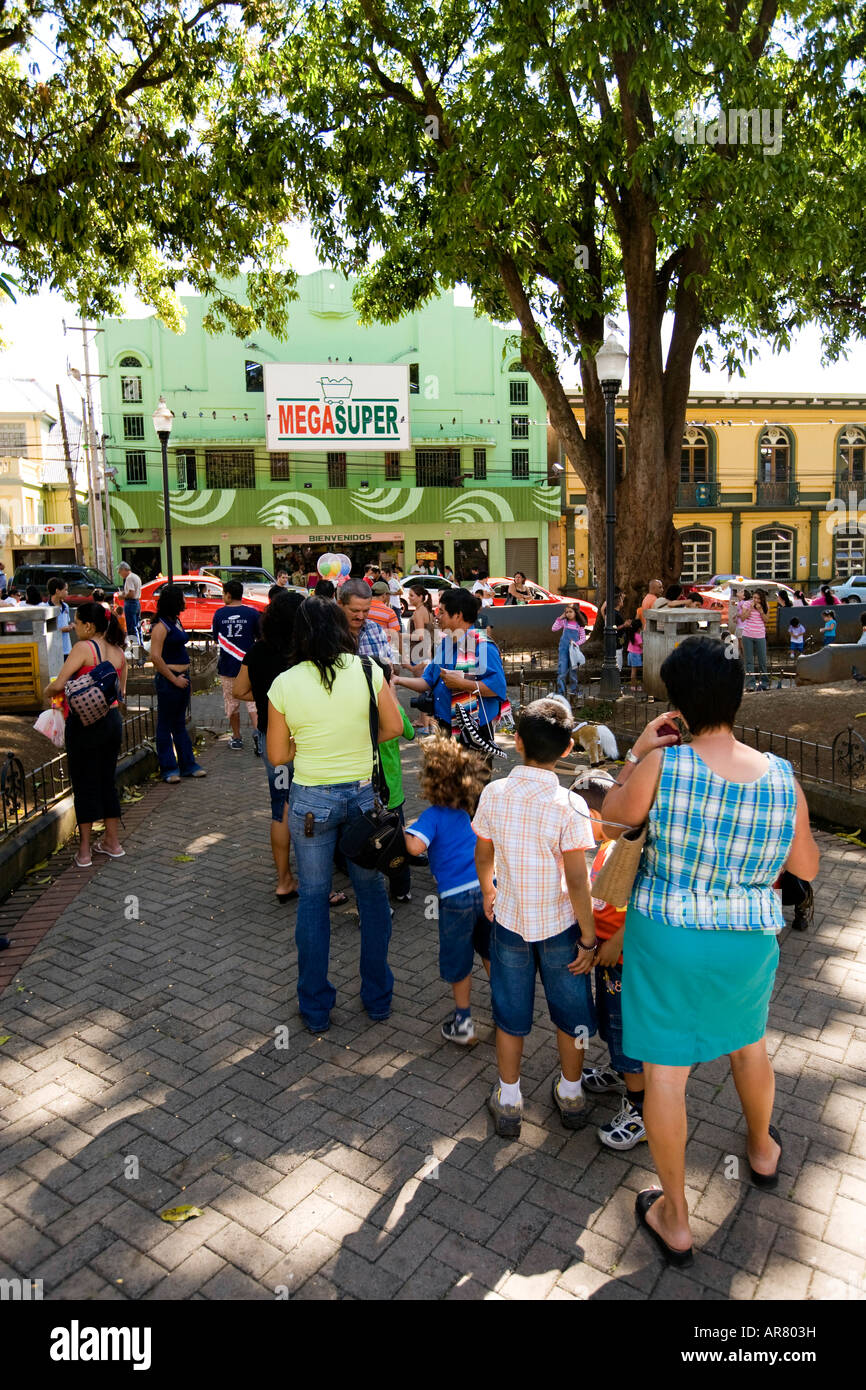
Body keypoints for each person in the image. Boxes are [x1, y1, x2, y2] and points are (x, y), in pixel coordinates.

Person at [601, 636, 819, 1265]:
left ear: (679, 704)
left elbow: (613, 821)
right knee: (749, 1044)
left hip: (667, 932)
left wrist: (640, 750)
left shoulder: (663, 766)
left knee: (667, 1074)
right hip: (747, 938)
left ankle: (674, 1215)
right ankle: (761, 1150)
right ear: (738, 694)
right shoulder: (781, 775)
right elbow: (804, 864)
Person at [266, 597, 405, 1033]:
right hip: (363, 801)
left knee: (312, 898)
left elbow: (276, 754)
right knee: (372, 895)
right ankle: (378, 997)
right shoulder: (368, 671)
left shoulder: (285, 682)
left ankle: (315, 1007)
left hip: (311, 804)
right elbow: (394, 727)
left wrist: (303, 744)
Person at [473, 697, 597, 1137]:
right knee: (572, 1013)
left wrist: (488, 888)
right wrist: (589, 936)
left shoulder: (494, 792)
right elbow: (578, 881)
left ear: (518, 742)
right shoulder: (571, 805)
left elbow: (483, 850)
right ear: (567, 751)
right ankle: (572, 1091)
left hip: (508, 922)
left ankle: (509, 1098)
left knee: (510, 1013)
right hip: (562, 926)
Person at [572, 772, 647, 1150]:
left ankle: (641, 1110)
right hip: (606, 956)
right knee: (610, 1020)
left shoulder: (631, 851)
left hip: (623, 959)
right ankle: (622, 1073)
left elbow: (642, 907)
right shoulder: (607, 845)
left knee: (626, 1029)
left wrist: (617, 940)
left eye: (585, 816)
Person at [405, 736, 490, 1044]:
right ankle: (503, 1006)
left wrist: (404, 831)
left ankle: (464, 1022)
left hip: (456, 900)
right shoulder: (470, 815)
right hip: (485, 891)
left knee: (459, 959)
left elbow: (415, 848)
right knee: (490, 950)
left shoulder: (433, 817)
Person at [44, 602, 128, 867]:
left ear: (88, 626)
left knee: (84, 784)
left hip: (84, 725)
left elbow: (58, 684)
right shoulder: (118, 653)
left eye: (77, 623)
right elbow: (121, 695)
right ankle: (113, 843)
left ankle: (84, 851)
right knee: (106, 781)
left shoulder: (83, 648)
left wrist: (47, 691)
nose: (75, 628)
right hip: (112, 721)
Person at [234, 590, 304, 903]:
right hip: (302, 738)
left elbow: (239, 690)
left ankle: (283, 879)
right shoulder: (304, 652)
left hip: (269, 737)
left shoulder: (257, 650)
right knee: (309, 805)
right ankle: (313, 878)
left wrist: (265, 700)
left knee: (281, 806)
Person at [394, 587, 507, 750]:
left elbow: (497, 688)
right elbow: (428, 681)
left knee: (472, 775)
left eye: (442, 612)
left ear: (458, 615)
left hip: (474, 728)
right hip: (445, 724)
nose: (437, 617)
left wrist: (462, 684)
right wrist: (397, 680)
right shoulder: (446, 643)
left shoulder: (481, 646)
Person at [150, 584, 207, 784]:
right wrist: (173, 678)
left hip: (183, 678)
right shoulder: (160, 626)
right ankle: (168, 768)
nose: (185, 601)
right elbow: (155, 658)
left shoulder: (176, 622)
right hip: (170, 680)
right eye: (181, 598)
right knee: (165, 725)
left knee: (179, 724)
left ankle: (188, 764)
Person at [376, 665, 415, 904]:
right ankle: (401, 889)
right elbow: (410, 733)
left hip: (369, 789)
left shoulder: (360, 710)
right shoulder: (391, 711)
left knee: (373, 844)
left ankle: (377, 899)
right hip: (392, 789)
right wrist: (394, 698)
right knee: (396, 840)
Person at [212, 579, 261, 751]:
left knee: (231, 702)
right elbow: (259, 637)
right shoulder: (253, 614)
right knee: (253, 701)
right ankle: (258, 734)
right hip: (249, 665)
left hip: (227, 666)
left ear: (228, 595)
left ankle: (237, 737)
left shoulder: (218, 615)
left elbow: (215, 637)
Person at [337, 577, 395, 665]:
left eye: (366, 611)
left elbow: (391, 660)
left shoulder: (376, 629)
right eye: (355, 611)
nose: (360, 617)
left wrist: (391, 666)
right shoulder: (329, 633)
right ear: (340, 604)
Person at [552, 604, 586, 698]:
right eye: (566, 612)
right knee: (562, 671)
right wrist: (560, 618)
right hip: (563, 650)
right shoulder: (564, 622)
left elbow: (583, 638)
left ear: (575, 612)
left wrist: (576, 643)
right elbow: (554, 629)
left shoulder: (579, 625)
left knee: (573, 672)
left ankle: (574, 691)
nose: (568, 614)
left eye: (570, 612)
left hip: (573, 651)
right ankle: (560, 692)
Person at [739, 589, 769, 691]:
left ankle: (764, 683)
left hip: (760, 635)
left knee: (762, 661)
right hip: (747, 635)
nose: (755, 600)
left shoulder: (765, 605)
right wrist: (750, 609)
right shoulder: (747, 604)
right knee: (749, 661)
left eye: (758, 598)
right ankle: (750, 684)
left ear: (762, 599)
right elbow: (743, 618)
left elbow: (766, 620)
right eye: (754, 598)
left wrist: (761, 611)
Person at [47, 577, 75, 658]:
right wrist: (63, 629)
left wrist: (71, 626)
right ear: (57, 591)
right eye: (65, 590)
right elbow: (47, 631)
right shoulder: (46, 608)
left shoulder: (65, 606)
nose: (67, 592)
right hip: (53, 649)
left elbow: (67, 622)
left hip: (67, 648)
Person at [600, 590, 627, 669]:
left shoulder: (611, 613)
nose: (623, 601)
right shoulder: (613, 614)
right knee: (617, 663)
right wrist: (624, 625)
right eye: (621, 599)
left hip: (618, 642)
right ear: (618, 602)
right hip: (615, 643)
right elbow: (612, 628)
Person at [118, 560, 142, 641]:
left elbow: (131, 593)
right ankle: (140, 645)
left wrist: (122, 596)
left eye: (120, 571)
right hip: (137, 602)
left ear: (124, 569)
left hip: (131, 603)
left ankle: (136, 649)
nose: (120, 574)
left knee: (131, 627)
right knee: (137, 626)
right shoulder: (135, 576)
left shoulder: (129, 578)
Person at [625, 617, 643, 690]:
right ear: (639, 628)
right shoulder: (638, 636)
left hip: (630, 654)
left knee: (633, 671)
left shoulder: (632, 634)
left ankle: (633, 686)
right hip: (635, 655)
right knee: (634, 671)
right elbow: (641, 646)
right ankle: (634, 686)